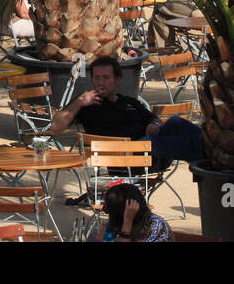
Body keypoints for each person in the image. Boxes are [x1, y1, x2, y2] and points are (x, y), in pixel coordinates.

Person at [49, 55, 203, 168]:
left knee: (175, 122)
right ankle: (207, 152)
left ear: (118, 81)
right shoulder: (86, 104)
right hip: (122, 157)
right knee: (151, 143)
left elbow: (154, 119)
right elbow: (55, 127)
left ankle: (207, 147)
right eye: (97, 78)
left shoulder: (130, 102)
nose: (100, 82)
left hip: (148, 152)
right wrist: (79, 103)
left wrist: (155, 123)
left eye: (105, 78)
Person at [101, 182, 171, 242]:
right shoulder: (115, 223)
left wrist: (127, 222)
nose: (104, 210)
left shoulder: (156, 225)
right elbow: (100, 239)